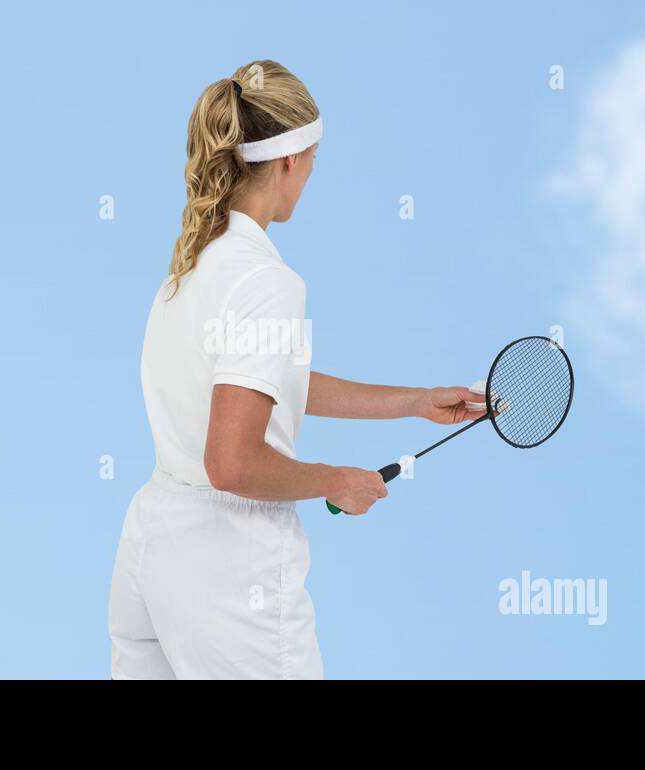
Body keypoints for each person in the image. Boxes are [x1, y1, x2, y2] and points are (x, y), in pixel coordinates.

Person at [109, 60, 487, 679]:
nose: (312, 173)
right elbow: (231, 462)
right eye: (313, 157)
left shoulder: (192, 266)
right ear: (290, 160)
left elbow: (262, 385)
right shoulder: (266, 282)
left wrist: (415, 401)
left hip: (152, 550)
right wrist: (338, 480)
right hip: (229, 576)